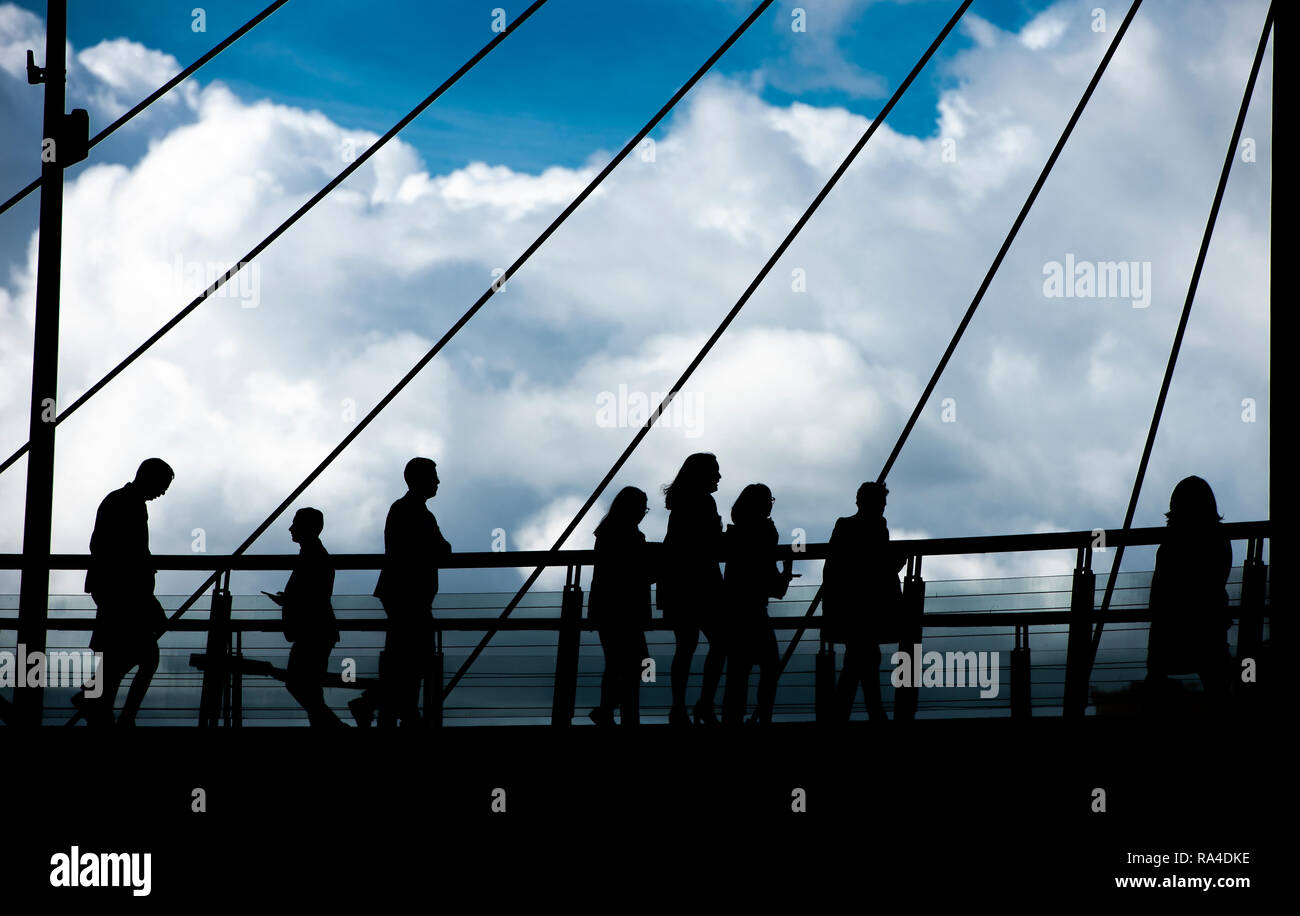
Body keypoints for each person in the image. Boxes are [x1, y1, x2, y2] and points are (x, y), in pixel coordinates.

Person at [72, 458, 174, 726]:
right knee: (144, 655)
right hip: (124, 592)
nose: (162, 493)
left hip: (116, 590)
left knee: (122, 652)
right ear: (149, 478)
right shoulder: (129, 504)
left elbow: (110, 547)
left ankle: (97, 699)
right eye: (162, 485)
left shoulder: (121, 500)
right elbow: (129, 553)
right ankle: (115, 710)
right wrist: (147, 596)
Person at [351, 457, 451, 727]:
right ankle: (396, 709)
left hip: (401, 593)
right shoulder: (416, 512)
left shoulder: (405, 509)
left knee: (403, 657)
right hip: (411, 596)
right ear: (420, 479)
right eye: (433, 476)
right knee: (415, 657)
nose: (438, 481)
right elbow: (441, 549)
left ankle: (388, 707)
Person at [1145, 475, 1233, 710]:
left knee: (1156, 678)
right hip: (1209, 629)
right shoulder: (1220, 540)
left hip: (1170, 629)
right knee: (1217, 684)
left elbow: (1160, 588)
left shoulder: (1171, 545)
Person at [822, 481, 904, 722]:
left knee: (857, 661)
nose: (883, 508)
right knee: (865, 660)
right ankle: (871, 713)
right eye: (881, 503)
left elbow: (835, 568)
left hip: (850, 607)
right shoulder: (878, 528)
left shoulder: (846, 526)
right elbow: (876, 568)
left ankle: (850, 713)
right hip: (867, 607)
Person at [657, 453, 725, 726]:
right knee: (720, 642)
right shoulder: (704, 502)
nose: (719, 477)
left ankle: (678, 707)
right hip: (702, 583)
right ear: (704, 475)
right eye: (715, 472)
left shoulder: (680, 504)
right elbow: (710, 543)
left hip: (678, 584)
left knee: (685, 647)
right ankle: (705, 703)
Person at [721, 484, 795, 725]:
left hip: (733, 608)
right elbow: (772, 583)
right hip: (753, 609)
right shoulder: (764, 531)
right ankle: (764, 715)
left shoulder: (735, 533)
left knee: (738, 670)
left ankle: (733, 716)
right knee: (769, 666)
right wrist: (786, 573)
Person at [266, 508, 345, 727]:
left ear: (307, 527)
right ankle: (328, 726)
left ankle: (334, 727)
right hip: (319, 630)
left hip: (313, 632)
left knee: (299, 684)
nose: (291, 528)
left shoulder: (312, 555)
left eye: (295, 524)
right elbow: (316, 595)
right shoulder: (316, 553)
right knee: (308, 686)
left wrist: (289, 601)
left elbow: (313, 596)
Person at [587, 487, 654, 727]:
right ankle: (616, 710)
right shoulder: (629, 535)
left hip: (607, 608)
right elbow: (634, 573)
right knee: (635, 662)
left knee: (618, 661)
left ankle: (610, 709)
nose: (643, 514)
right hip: (625, 610)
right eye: (642, 508)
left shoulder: (608, 532)